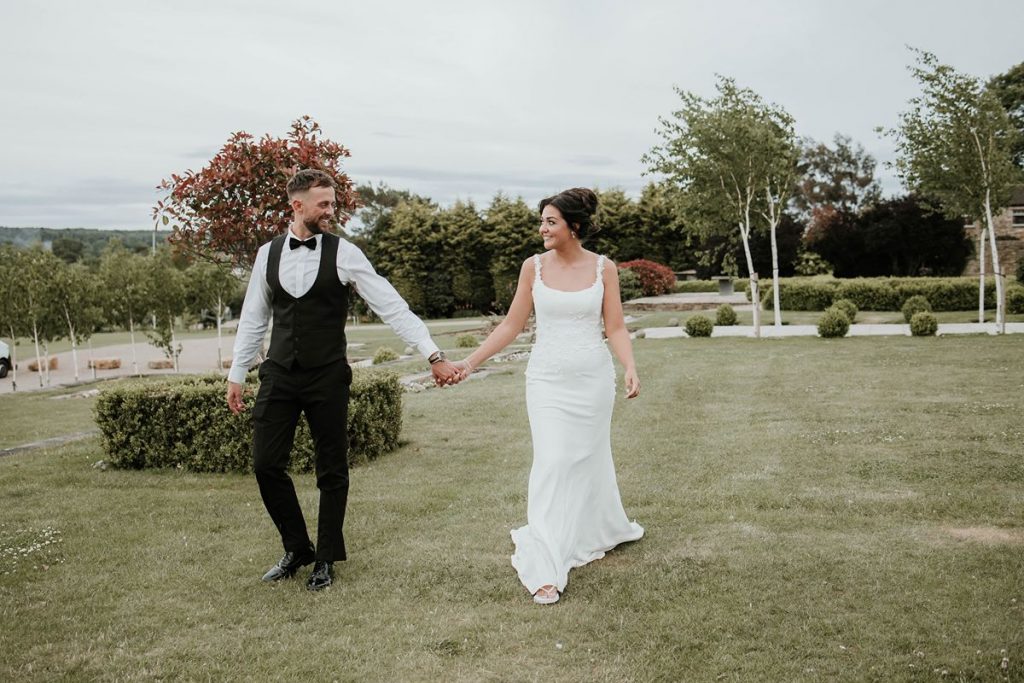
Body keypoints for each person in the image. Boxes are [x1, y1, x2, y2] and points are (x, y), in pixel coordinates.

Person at [226, 169, 462, 591]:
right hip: (279, 372)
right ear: (297, 205)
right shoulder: (268, 253)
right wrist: (237, 373)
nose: (332, 211)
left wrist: (433, 353)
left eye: (333, 203)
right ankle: (297, 547)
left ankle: (326, 558)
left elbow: (391, 304)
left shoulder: (345, 253)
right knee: (265, 464)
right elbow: (253, 319)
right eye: (324, 204)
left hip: (327, 375)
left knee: (331, 468)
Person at [454, 187, 644, 604]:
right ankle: (546, 562)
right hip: (546, 381)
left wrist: (629, 365)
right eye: (541, 221)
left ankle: (596, 528)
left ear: (574, 226)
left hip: (593, 380)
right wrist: (469, 363)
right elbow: (510, 326)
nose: (542, 228)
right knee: (553, 461)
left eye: (550, 221)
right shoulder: (533, 268)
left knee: (587, 459)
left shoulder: (603, 268)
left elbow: (614, 327)